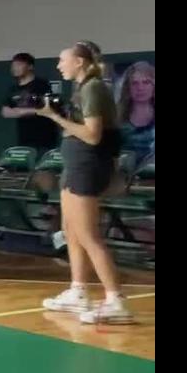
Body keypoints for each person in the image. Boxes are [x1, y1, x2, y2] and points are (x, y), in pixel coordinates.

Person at [38, 42, 133, 325]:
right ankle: (78, 291)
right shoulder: (81, 88)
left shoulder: (93, 88)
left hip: (88, 164)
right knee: (71, 230)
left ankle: (116, 300)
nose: (58, 65)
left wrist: (55, 117)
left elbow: (92, 135)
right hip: (75, 164)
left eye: (62, 60)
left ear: (79, 62)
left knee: (89, 234)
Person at [2, 52, 59, 152]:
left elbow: (46, 109)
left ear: (30, 67)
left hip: (44, 139)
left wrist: (20, 111)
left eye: (19, 65)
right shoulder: (13, 89)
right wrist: (30, 111)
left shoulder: (42, 85)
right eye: (13, 65)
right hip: (24, 139)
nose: (15, 68)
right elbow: (5, 112)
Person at [118, 61, 155, 163]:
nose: (140, 88)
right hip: (124, 176)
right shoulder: (116, 118)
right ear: (127, 88)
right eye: (134, 83)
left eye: (146, 82)